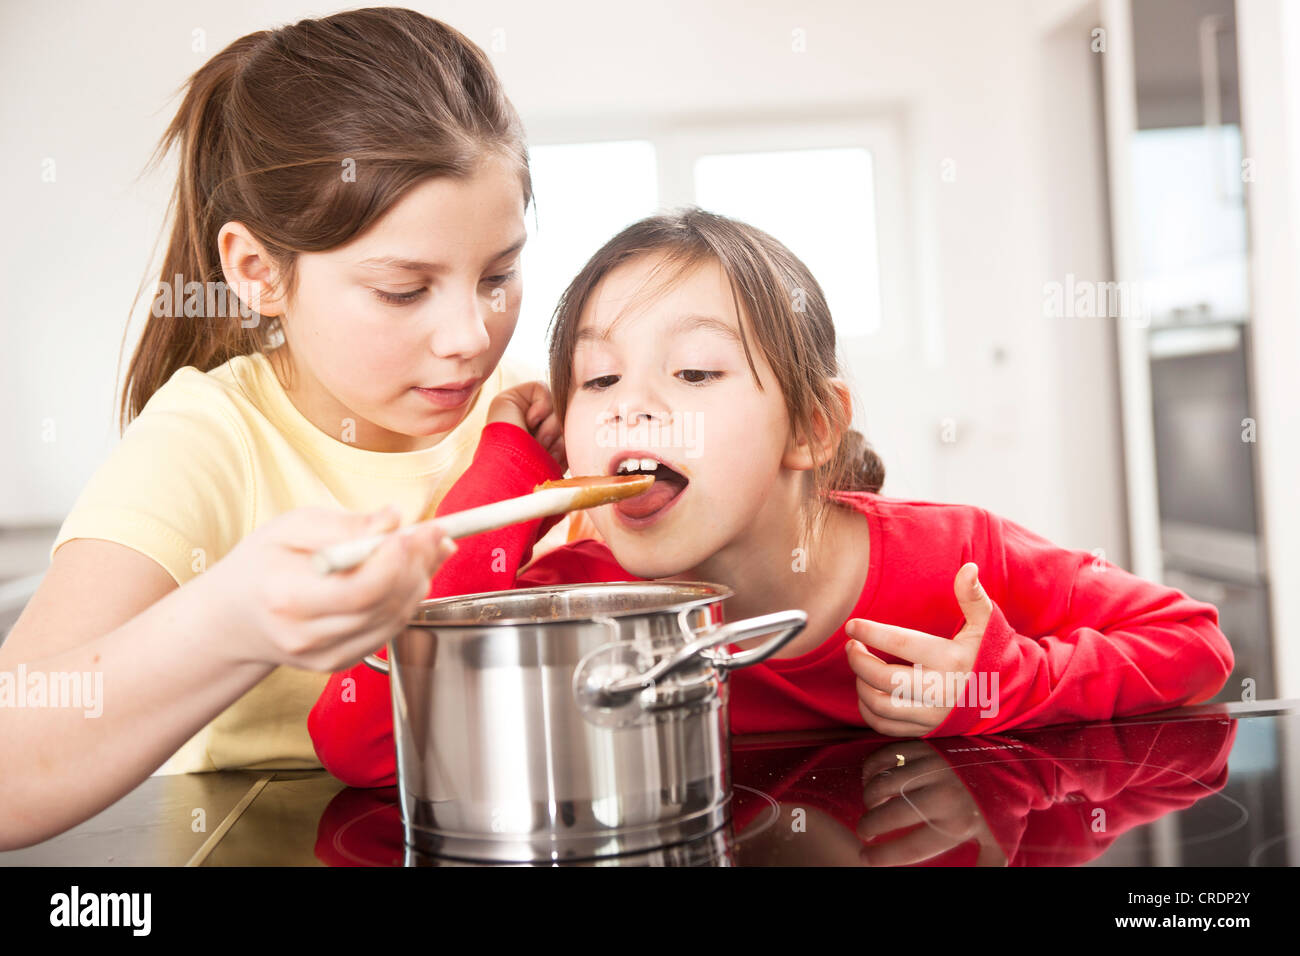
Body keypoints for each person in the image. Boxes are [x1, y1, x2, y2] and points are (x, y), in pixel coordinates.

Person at [309, 208, 1235, 788]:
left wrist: (1005, 684)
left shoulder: (958, 563)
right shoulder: (576, 602)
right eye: (597, 381)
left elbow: (1195, 644)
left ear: (809, 428)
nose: (631, 403)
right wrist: (510, 477)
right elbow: (361, 743)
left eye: (696, 369)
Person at [0, 8, 566, 849]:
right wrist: (232, 622)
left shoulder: (528, 417)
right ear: (259, 272)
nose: (470, 337)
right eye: (404, 290)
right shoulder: (209, 438)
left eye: (499, 274)